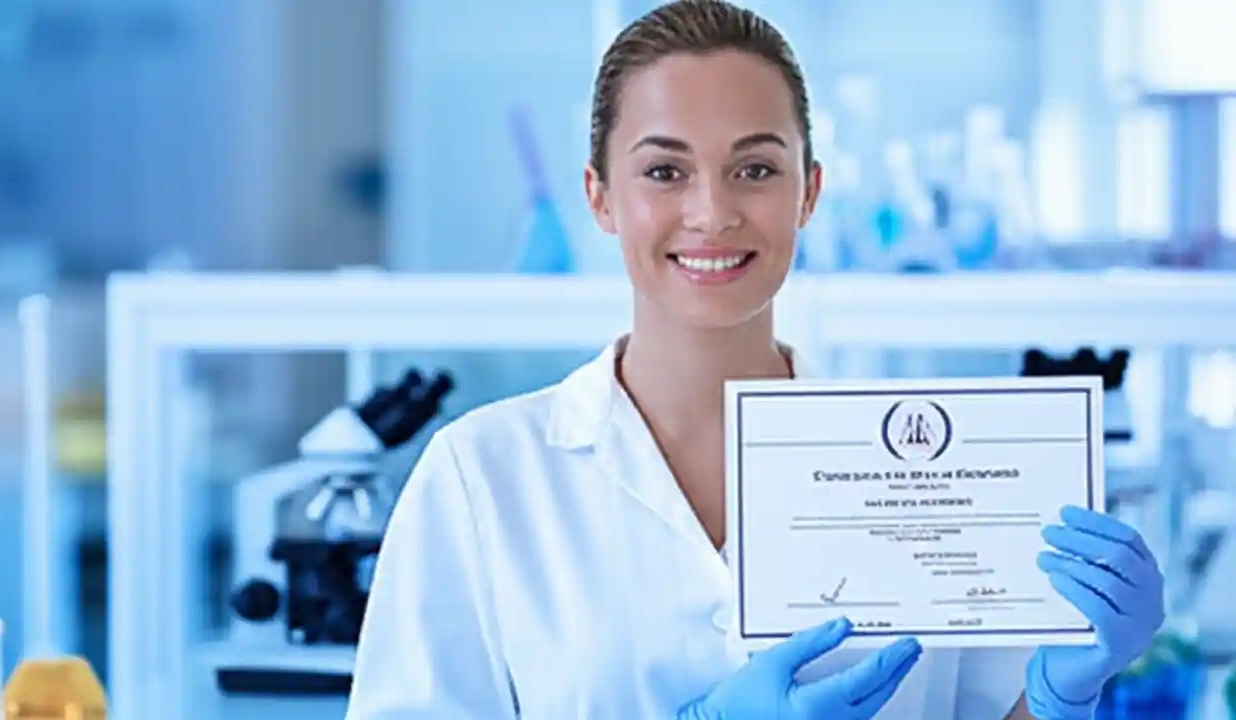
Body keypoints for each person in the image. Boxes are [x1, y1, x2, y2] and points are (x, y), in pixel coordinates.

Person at [345, 1, 1166, 718]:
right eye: (665, 170)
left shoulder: (926, 472)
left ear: (808, 192)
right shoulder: (482, 478)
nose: (712, 211)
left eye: (755, 169)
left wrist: (1065, 692)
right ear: (599, 196)